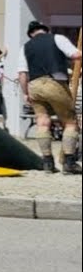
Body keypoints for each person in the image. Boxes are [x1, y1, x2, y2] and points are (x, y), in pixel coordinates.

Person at [18, 21, 81, 174]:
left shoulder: (25, 47)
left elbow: (21, 74)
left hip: (34, 85)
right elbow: (76, 54)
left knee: (42, 121)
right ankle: (69, 162)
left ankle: (47, 163)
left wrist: (26, 93)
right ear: (45, 30)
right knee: (70, 122)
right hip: (55, 83)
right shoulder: (57, 38)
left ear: (31, 33)